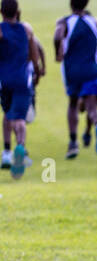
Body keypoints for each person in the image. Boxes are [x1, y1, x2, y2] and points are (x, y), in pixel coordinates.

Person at [54, 0, 97, 158]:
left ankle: (73, 143)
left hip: (72, 70)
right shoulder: (95, 22)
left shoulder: (65, 22)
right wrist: (96, 54)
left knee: (73, 104)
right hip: (92, 70)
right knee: (92, 107)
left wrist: (58, 52)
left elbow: (57, 36)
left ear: (71, 4)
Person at [0, 0, 40, 177]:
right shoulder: (27, 29)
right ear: (18, 11)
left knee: (8, 114)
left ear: (1, 11)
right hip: (23, 80)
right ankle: (20, 148)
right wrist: (36, 71)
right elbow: (34, 55)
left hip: (4, 80)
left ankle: (7, 153)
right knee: (20, 119)